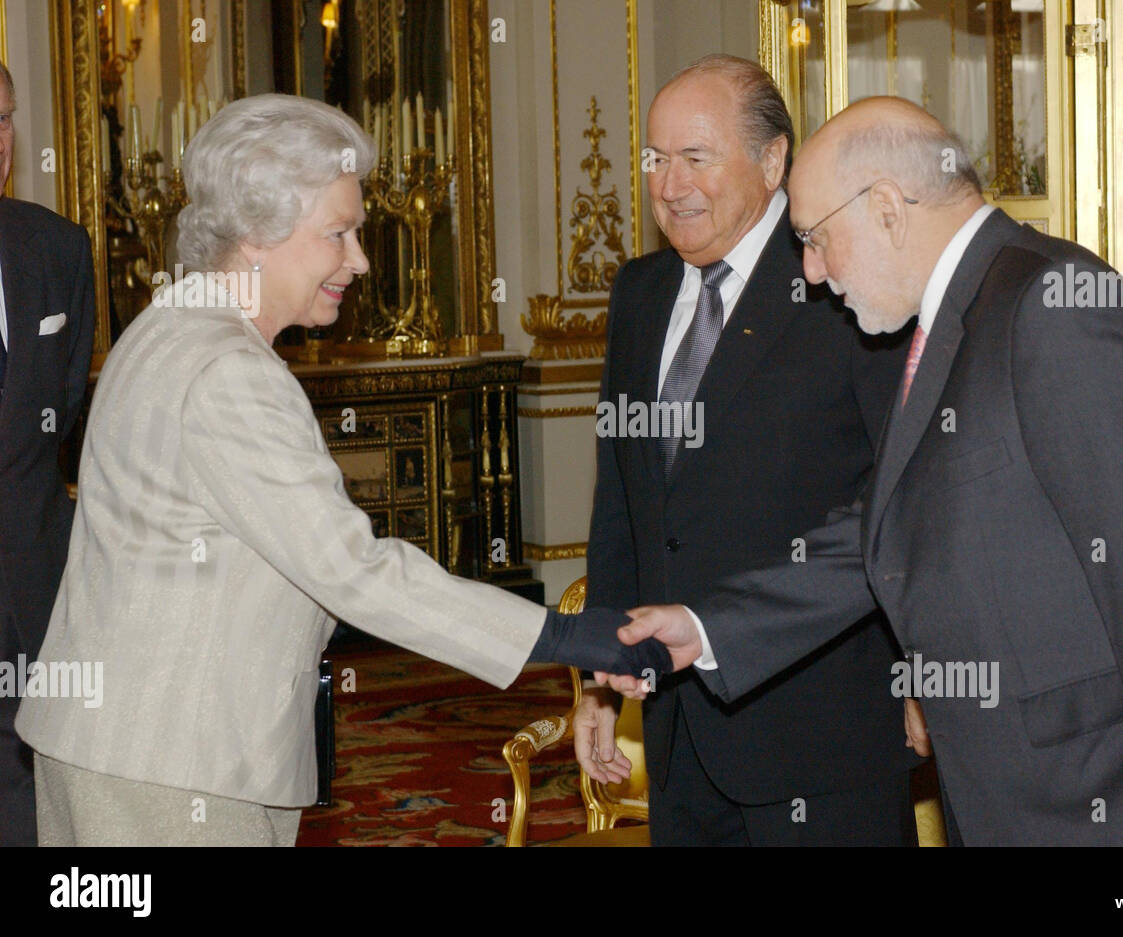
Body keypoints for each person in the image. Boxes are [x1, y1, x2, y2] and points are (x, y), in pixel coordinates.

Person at [607, 96, 1123, 845]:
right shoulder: (953, 321)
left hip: (1117, 802)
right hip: (1027, 800)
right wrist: (706, 627)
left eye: (813, 237)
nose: (810, 270)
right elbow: (880, 532)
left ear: (886, 209)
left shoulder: (1053, 309)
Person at [14, 94, 671, 846]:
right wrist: (563, 635)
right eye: (340, 232)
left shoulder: (161, 330)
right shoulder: (229, 370)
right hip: (175, 768)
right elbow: (352, 571)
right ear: (259, 234)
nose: (358, 259)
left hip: (114, 749)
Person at [579, 57, 917, 846]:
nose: (668, 185)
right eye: (655, 160)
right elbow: (624, 509)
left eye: (695, 158)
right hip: (676, 736)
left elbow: (903, 502)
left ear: (773, 162)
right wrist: (597, 678)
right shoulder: (638, 293)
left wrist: (927, 673)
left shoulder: (845, 281)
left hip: (824, 738)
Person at [0, 60, 96, 846]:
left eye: (1, 120)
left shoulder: (59, 250)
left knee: (37, 785)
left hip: (36, 573)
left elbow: (61, 405)